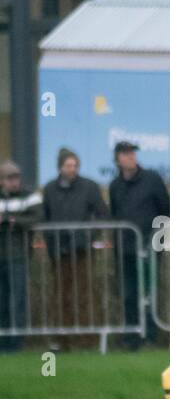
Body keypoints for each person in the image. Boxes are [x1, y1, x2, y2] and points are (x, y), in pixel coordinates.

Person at [108, 141, 170, 348]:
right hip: (125, 249)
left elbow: (165, 208)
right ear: (118, 159)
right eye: (126, 154)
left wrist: (156, 237)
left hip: (150, 248)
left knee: (149, 294)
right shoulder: (115, 186)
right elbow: (115, 215)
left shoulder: (152, 179)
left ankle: (151, 337)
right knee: (129, 294)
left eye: (133, 153)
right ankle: (131, 337)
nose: (131, 157)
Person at [42, 147, 107, 344]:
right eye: (68, 165)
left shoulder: (89, 187)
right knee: (61, 295)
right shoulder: (49, 189)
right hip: (58, 252)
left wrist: (89, 236)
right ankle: (62, 338)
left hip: (82, 250)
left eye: (75, 165)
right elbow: (44, 218)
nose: (72, 169)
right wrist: (51, 243)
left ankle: (87, 338)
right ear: (60, 167)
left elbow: (103, 214)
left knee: (84, 293)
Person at [0, 161, 42, 352]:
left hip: (18, 256)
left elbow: (36, 218)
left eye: (16, 178)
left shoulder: (30, 196)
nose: (14, 182)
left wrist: (10, 220)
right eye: (9, 179)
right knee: (2, 300)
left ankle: (16, 343)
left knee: (17, 300)